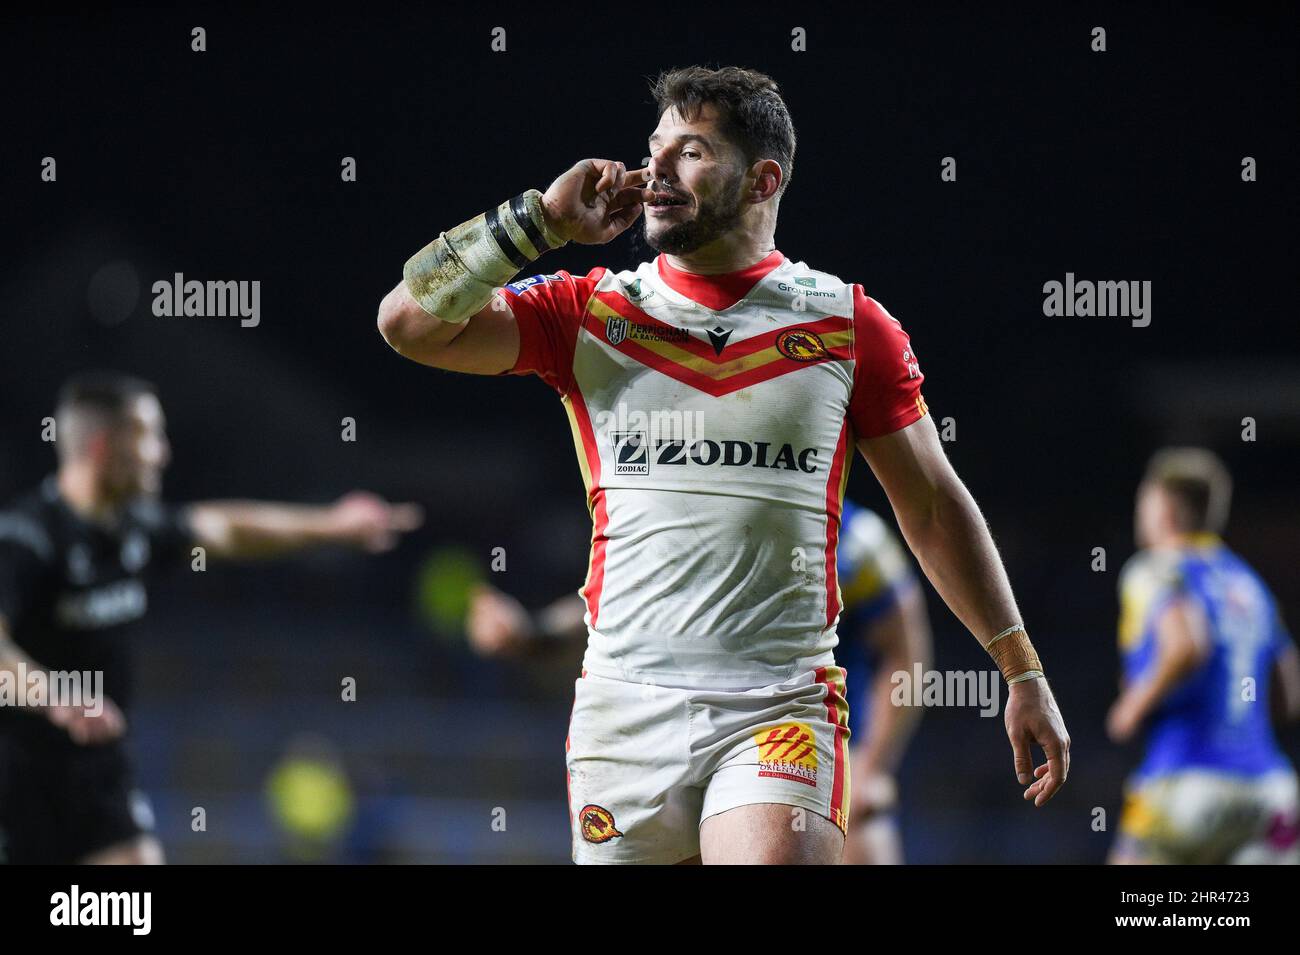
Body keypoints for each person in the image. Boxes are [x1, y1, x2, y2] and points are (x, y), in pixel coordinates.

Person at [379, 65, 1068, 864]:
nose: (655, 169)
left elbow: (934, 508)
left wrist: (1020, 669)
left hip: (777, 706)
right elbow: (407, 323)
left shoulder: (848, 325)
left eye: (693, 150)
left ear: (762, 179)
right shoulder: (589, 310)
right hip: (622, 710)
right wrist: (537, 222)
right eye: (655, 146)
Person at [0, 372, 422, 864]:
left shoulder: (132, 529)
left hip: (98, 770)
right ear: (103, 445)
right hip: (17, 774)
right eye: (149, 436)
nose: (162, 453)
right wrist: (55, 697)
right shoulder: (27, 538)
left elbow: (227, 529)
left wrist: (330, 526)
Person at [466, 499, 932, 864]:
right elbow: (609, 603)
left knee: (863, 839)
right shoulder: (690, 517)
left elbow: (905, 648)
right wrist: (532, 635)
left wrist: (873, 765)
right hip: (672, 746)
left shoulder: (854, 539)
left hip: (805, 746)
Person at [1108, 447, 1300, 864]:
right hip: (1269, 791)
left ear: (1163, 508)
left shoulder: (1155, 568)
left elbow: (1185, 644)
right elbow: (1289, 693)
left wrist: (1130, 707)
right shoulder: (1248, 583)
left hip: (1185, 780)